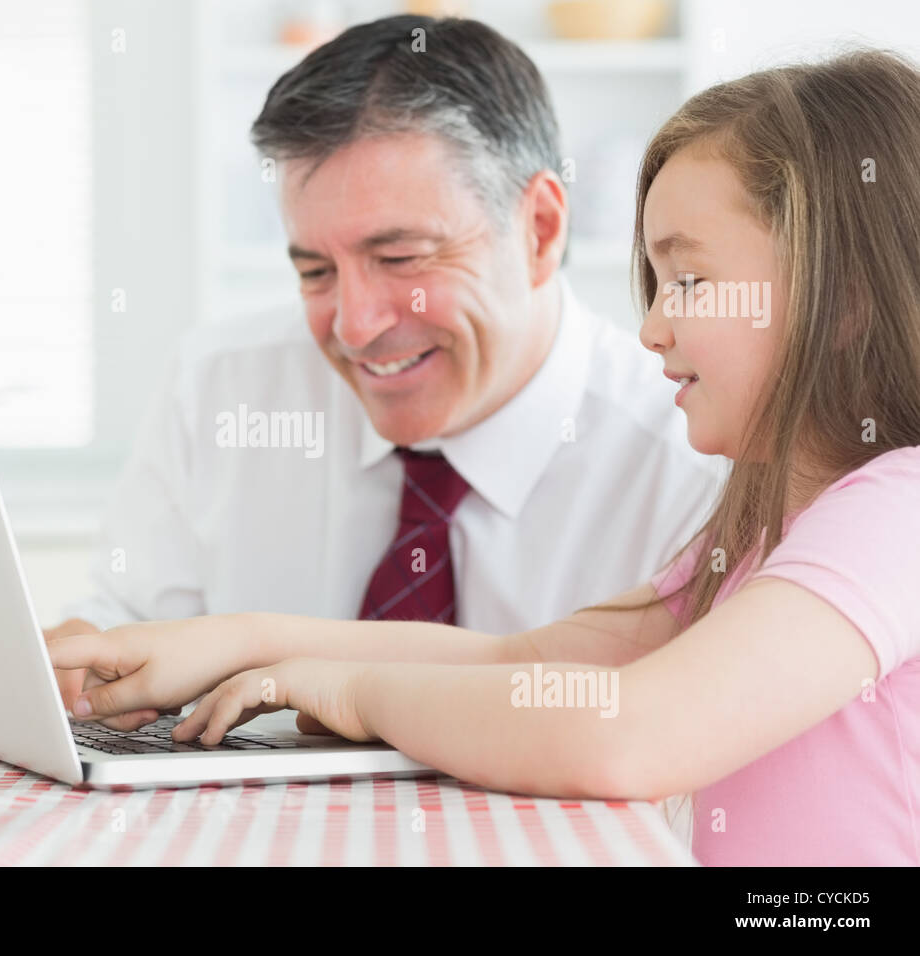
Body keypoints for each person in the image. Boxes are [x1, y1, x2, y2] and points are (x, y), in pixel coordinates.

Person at [49, 49, 920, 866]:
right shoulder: (772, 520)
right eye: (655, 288)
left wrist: (353, 695)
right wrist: (247, 645)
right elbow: (532, 666)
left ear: (840, 303)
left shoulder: (899, 512)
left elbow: (628, 732)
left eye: (687, 282)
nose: (654, 326)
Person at [46, 16, 720, 751]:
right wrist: (82, 662)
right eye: (315, 273)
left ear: (540, 229)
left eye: (400, 257)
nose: (357, 326)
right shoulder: (220, 390)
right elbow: (117, 622)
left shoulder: (692, 462)